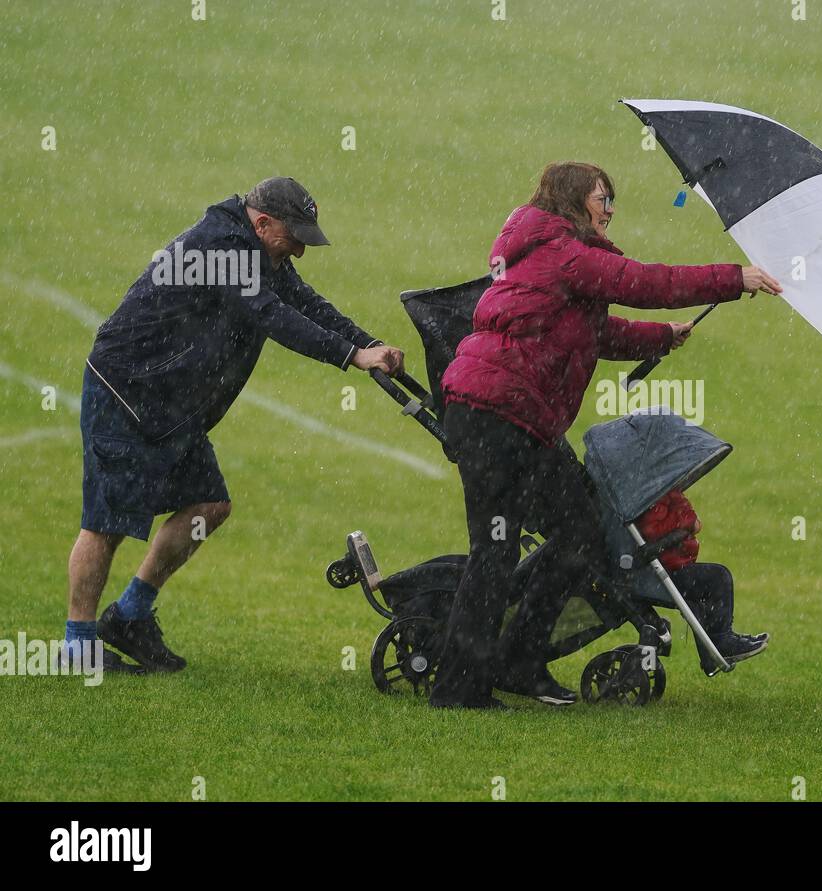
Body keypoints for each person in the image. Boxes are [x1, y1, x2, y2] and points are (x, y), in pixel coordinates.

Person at [429, 161, 781, 709]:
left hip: (502, 415)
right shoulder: (565, 254)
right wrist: (735, 279)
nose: (610, 209)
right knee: (500, 550)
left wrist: (661, 337)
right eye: (601, 199)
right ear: (573, 201)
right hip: (499, 417)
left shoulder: (548, 253)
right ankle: (461, 688)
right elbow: (646, 283)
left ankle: (514, 662)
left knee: (576, 537)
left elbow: (590, 333)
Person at [67, 177, 404, 674]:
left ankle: (130, 616)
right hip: (129, 392)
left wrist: (369, 344)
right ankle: (77, 646)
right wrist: (350, 356)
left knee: (209, 505)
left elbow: (305, 305)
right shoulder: (220, 250)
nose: (300, 253)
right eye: (295, 239)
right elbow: (272, 317)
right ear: (263, 223)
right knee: (107, 523)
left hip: (174, 404)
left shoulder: (262, 251)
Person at [634, 490, 768, 671]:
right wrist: (685, 520)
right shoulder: (654, 494)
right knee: (719, 577)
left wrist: (683, 516)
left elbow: (694, 523)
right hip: (661, 573)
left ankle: (721, 640)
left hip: (669, 569)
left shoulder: (664, 492)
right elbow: (655, 529)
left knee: (714, 580)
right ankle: (722, 639)